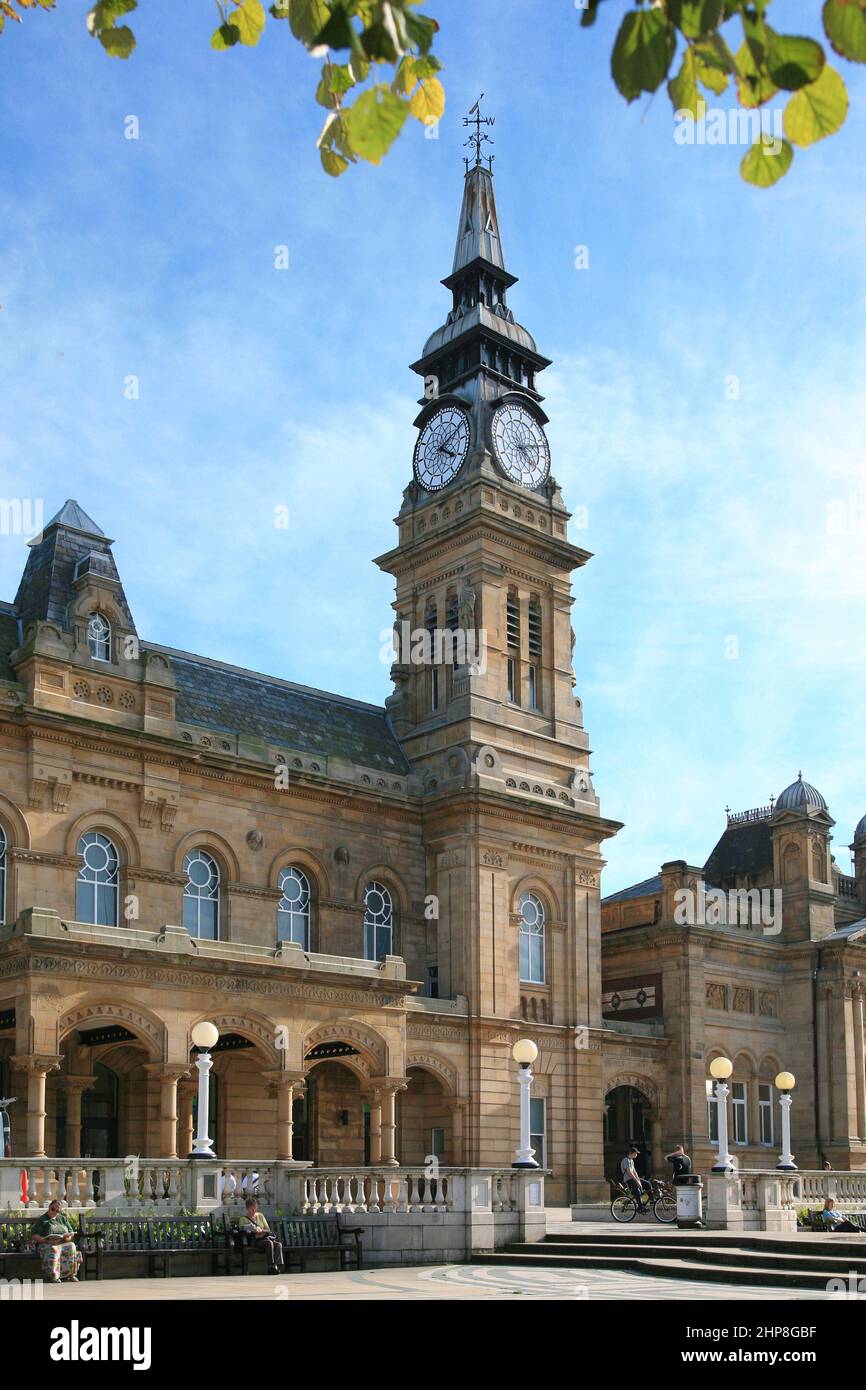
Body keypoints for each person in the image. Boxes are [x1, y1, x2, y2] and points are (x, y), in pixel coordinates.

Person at [30, 1199, 82, 1283]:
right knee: (54, 1249)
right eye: (52, 1209)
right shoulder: (43, 1220)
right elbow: (34, 1235)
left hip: (62, 1243)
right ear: (49, 1207)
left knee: (71, 1246)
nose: (54, 1212)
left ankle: (70, 1274)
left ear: (59, 1211)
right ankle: (54, 1276)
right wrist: (46, 1241)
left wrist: (67, 1238)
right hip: (47, 1244)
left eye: (57, 1210)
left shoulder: (63, 1219)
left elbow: (70, 1232)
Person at [236, 1198, 284, 1273]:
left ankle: (276, 1266)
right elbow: (242, 1231)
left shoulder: (260, 1215)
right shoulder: (243, 1219)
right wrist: (253, 1231)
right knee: (269, 1243)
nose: (254, 1211)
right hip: (255, 1241)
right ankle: (270, 1266)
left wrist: (261, 1231)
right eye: (252, 1209)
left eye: (255, 1209)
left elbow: (268, 1229)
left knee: (278, 1244)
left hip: (264, 1238)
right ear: (247, 1209)